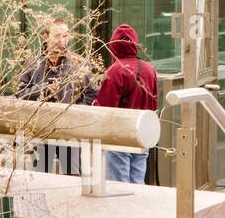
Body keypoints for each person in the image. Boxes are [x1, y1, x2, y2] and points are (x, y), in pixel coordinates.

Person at [17, 19, 97, 175]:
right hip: (41, 130)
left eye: (65, 35)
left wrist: (77, 109)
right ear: (45, 37)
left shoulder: (78, 64)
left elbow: (92, 92)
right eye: (57, 36)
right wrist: (43, 89)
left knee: (72, 176)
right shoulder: (32, 63)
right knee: (41, 177)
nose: (62, 40)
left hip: (69, 131)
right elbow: (21, 94)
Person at [94, 24, 158, 184]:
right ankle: (138, 208)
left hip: (120, 134)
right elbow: (154, 103)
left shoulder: (115, 71)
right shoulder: (150, 69)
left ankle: (124, 209)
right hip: (143, 133)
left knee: (118, 185)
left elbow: (104, 107)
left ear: (114, 46)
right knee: (137, 181)